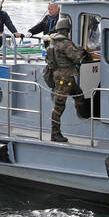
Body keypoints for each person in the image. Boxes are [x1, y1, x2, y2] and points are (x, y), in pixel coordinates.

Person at [45, 14, 89, 143]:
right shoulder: (65, 42)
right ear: (66, 30)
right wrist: (81, 52)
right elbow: (75, 57)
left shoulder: (53, 40)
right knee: (59, 105)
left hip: (59, 75)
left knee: (79, 94)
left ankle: (84, 116)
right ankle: (55, 133)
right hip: (66, 77)